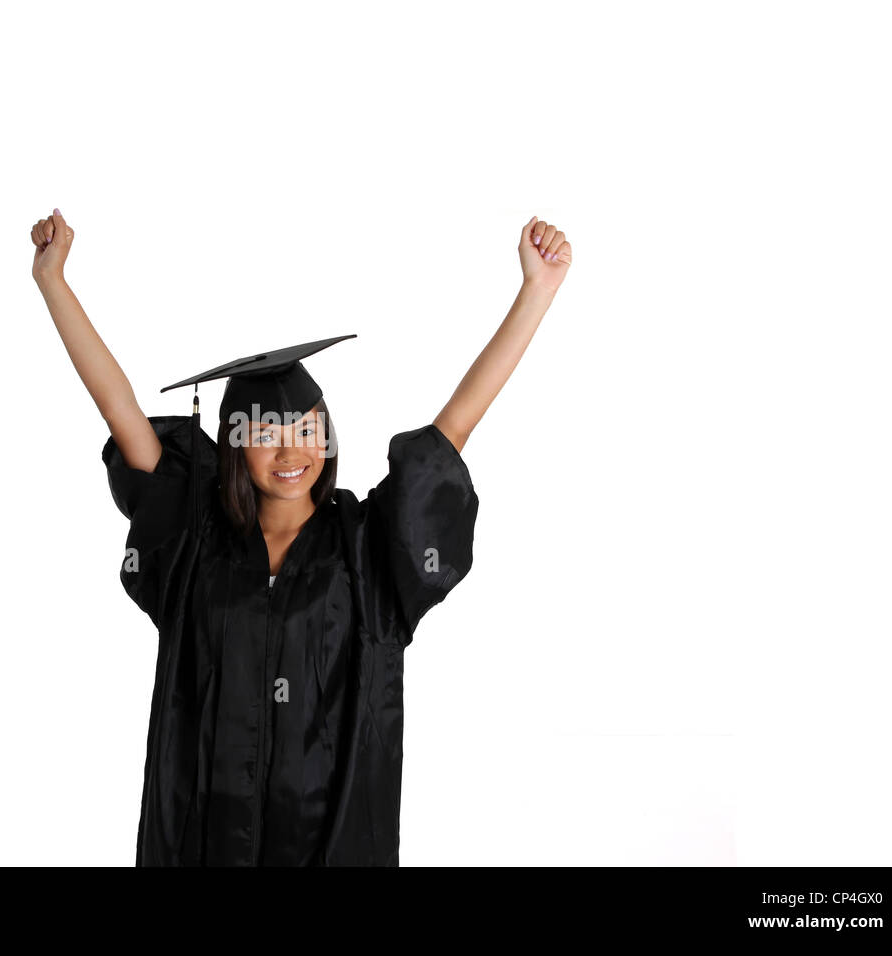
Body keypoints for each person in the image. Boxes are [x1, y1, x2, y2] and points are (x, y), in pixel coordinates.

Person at [30, 209, 572, 865]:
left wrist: (535, 292)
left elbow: (451, 430)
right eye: (264, 432)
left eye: (308, 427)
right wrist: (53, 282)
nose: (292, 450)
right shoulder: (195, 542)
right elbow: (120, 410)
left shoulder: (367, 550)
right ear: (233, 445)